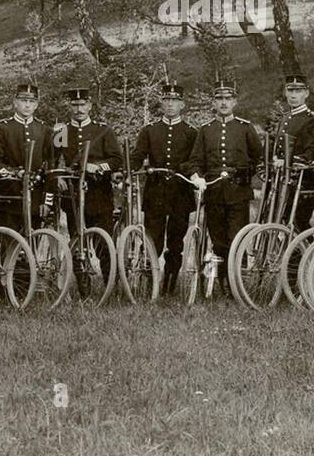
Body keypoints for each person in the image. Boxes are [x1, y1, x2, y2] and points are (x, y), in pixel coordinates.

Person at [183, 78, 264, 296]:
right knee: (218, 240)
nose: (224, 103)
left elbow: (259, 158)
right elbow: (195, 160)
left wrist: (248, 175)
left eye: (228, 99)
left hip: (238, 192)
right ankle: (222, 283)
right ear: (213, 103)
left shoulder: (245, 128)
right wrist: (196, 176)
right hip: (214, 193)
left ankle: (237, 284)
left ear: (235, 101)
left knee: (237, 238)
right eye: (219, 99)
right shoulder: (205, 130)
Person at [130, 83, 199, 295]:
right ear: (161, 103)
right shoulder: (149, 130)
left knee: (176, 242)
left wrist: (187, 171)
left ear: (182, 105)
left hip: (180, 193)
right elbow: (137, 156)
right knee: (152, 240)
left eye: (175, 101)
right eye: (167, 100)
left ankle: (170, 285)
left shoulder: (190, 132)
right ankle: (149, 283)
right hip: (155, 193)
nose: (170, 105)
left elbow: (195, 160)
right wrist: (128, 170)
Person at [58, 87, 122, 294]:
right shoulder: (61, 131)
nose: (79, 109)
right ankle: (84, 289)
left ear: (90, 106)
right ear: (69, 106)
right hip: (73, 194)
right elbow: (53, 157)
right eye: (75, 105)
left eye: (82, 105)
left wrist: (99, 167)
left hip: (98, 193)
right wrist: (59, 175)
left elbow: (116, 160)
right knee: (77, 240)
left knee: (104, 241)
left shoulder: (102, 130)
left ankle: (110, 286)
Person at [0, 83, 54, 232]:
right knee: (8, 243)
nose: (27, 106)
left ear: (36, 105)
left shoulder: (45, 129)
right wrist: (12, 172)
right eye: (24, 101)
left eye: (31, 102)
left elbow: (50, 165)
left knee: (32, 244)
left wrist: (47, 200)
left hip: (35, 195)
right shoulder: (2, 128)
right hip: (9, 194)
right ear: (15, 102)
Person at [270, 74, 314, 230]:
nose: (293, 95)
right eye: (290, 90)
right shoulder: (285, 119)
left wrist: (288, 162)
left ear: (306, 93)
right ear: (285, 93)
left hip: (304, 181)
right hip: (285, 180)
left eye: (298, 91)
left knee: (298, 225)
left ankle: (307, 254)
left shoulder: (313, 120)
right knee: (284, 221)